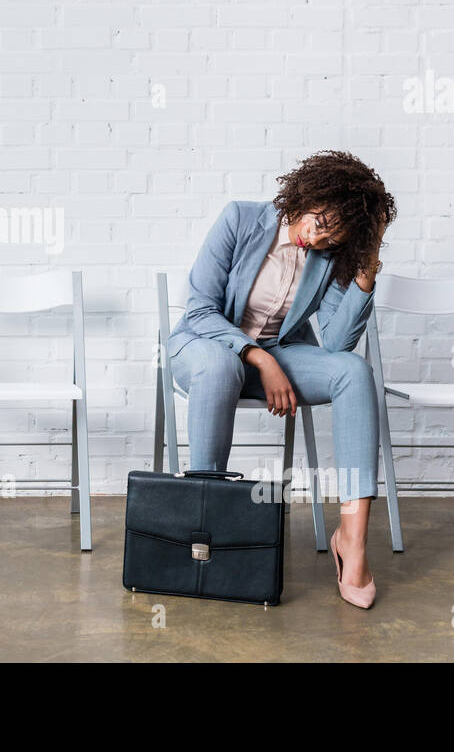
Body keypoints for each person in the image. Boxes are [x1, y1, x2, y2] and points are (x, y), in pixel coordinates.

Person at [167, 150, 397, 608]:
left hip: (278, 355)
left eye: (336, 237)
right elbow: (200, 308)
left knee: (353, 372)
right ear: (311, 192)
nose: (320, 238)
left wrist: (366, 269)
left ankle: (352, 541)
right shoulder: (240, 219)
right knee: (221, 365)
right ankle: (205, 532)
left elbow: (336, 343)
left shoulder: (330, 256)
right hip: (204, 348)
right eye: (322, 221)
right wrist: (259, 359)